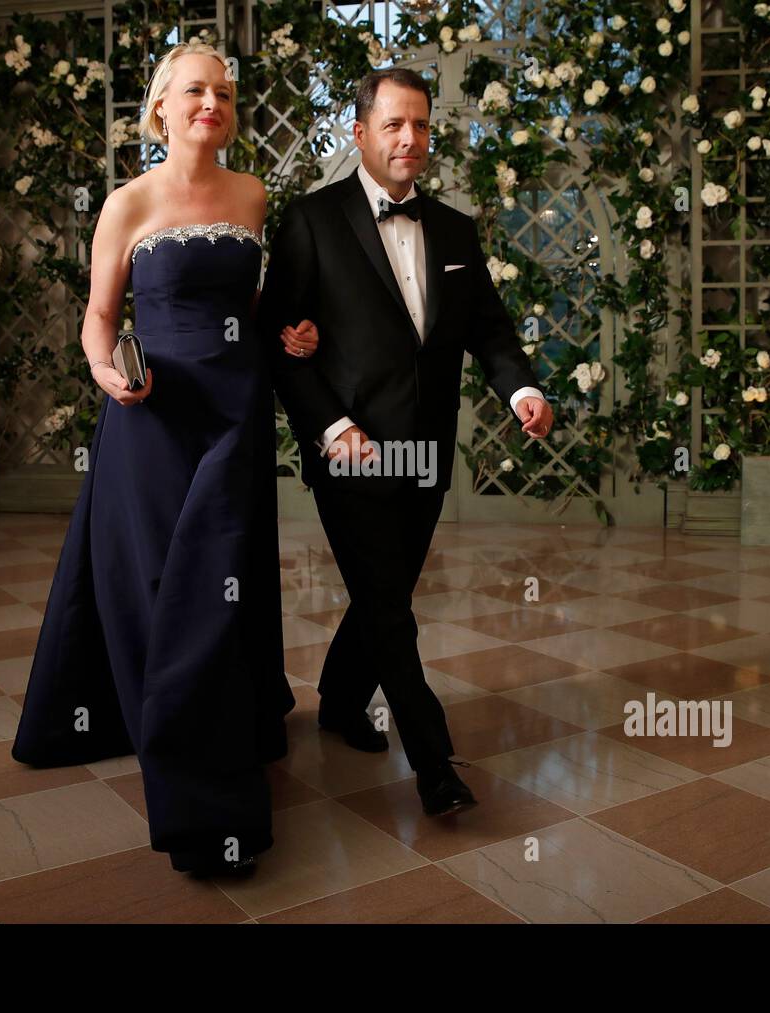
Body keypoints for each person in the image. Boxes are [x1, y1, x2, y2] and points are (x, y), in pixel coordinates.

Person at [11, 43, 317, 878]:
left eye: (223, 92)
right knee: (164, 590)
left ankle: (234, 728)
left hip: (237, 412)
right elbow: (98, 318)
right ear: (161, 107)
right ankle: (202, 800)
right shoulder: (128, 201)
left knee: (221, 581)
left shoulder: (253, 196)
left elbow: (250, 307)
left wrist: (286, 330)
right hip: (153, 420)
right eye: (194, 91)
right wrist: (109, 373)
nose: (211, 103)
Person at [258, 68, 554, 817]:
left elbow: (488, 328)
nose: (410, 139)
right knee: (391, 607)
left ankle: (339, 698)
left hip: (427, 451)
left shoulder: (455, 229)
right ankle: (434, 765)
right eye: (393, 124)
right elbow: (278, 343)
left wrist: (521, 388)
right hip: (349, 450)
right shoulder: (311, 221)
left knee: (384, 590)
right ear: (360, 133)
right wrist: (332, 426)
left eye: (420, 125)